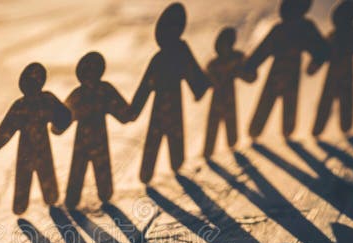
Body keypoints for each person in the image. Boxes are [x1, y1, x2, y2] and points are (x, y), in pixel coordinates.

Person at [131, 2, 209, 183]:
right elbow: (146, 85)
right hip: (164, 104)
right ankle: (149, 173)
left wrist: (200, 86)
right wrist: (134, 110)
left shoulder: (180, 51)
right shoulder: (166, 56)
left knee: (171, 136)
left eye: (175, 27)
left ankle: (172, 165)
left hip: (172, 102)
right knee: (156, 137)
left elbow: (193, 72)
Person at [0, 63, 71, 214]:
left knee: (29, 174)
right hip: (37, 146)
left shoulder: (22, 104)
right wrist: (57, 129)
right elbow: (64, 116)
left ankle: (26, 204)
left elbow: (5, 131)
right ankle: (43, 199)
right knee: (34, 173)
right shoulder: (45, 100)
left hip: (28, 148)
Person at [245, 0, 328, 138]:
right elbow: (263, 50)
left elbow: (321, 49)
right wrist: (250, 66)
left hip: (289, 70)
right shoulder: (285, 29)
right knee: (269, 99)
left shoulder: (304, 28)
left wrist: (316, 62)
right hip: (279, 70)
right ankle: (257, 130)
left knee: (287, 101)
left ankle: (284, 131)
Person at [61, 52, 134, 209]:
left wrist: (57, 127)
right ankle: (77, 198)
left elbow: (124, 113)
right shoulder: (91, 92)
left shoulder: (98, 91)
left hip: (93, 138)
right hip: (91, 138)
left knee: (89, 168)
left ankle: (93, 196)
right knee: (80, 168)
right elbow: (124, 114)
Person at [310, 0, 353, 136]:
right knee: (328, 102)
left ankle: (340, 127)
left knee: (341, 101)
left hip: (343, 74)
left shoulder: (352, 34)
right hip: (338, 74)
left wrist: (313, 66)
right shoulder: (337, 35)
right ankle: (319, 129)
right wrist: (313, 66)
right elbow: (322, 53)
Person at [202, 27, 256, 157]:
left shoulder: (234, 59)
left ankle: (231, 144)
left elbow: (249, 77)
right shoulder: (214, 64)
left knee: (230, 122)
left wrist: (245, 66)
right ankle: (209, 151)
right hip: (218, 98)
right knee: (213, 125)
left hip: (228, 96)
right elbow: (205, 81)